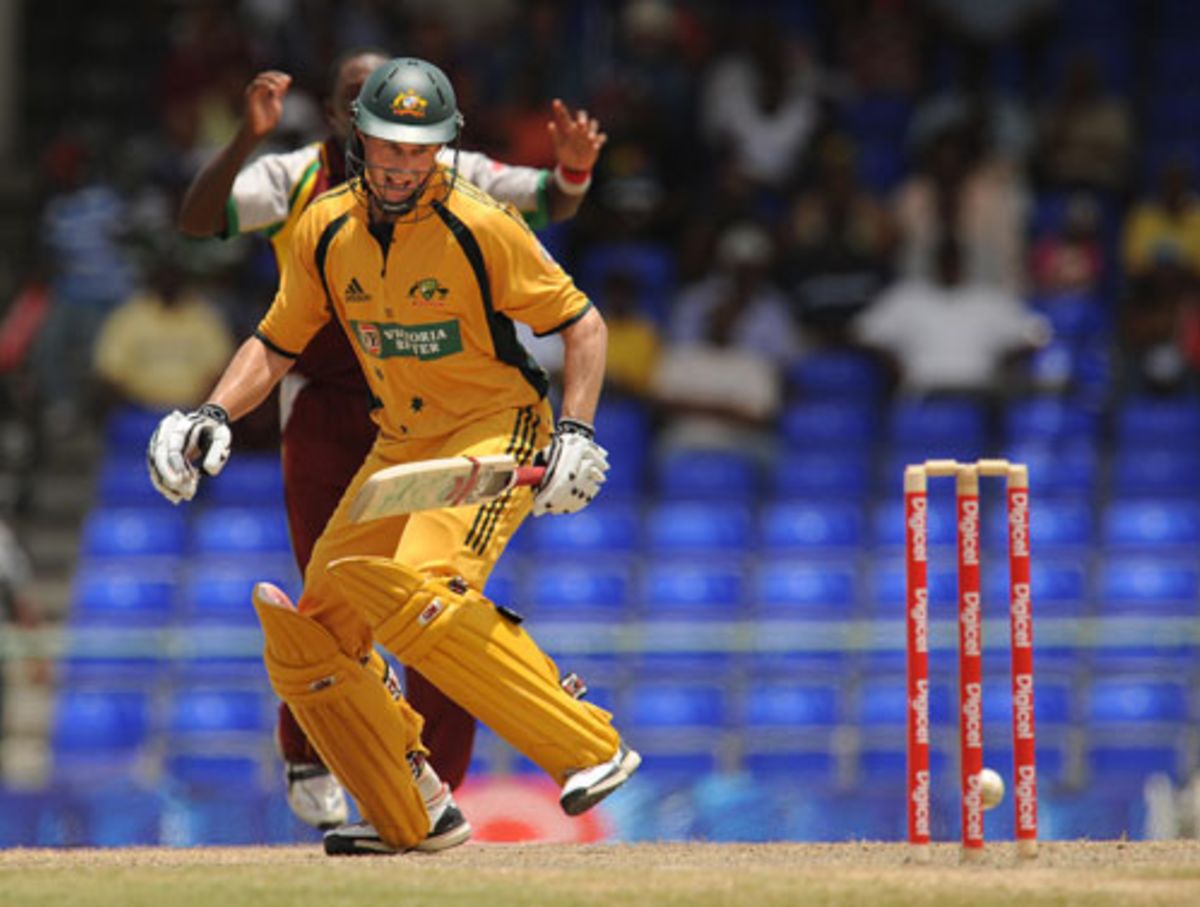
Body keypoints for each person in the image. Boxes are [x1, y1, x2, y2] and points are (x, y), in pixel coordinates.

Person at [150, 56, 638, 857]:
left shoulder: (479, 224)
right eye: (389, 146)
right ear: (358, 140)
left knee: (422, 587)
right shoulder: (323, 225)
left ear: (442, 147)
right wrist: (209, 412)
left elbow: (582, 324)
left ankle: (587, 744)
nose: (405, 166)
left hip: (496, 425)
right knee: (316, 627)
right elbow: (275, 343)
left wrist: (578, 432)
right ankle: (412, 804)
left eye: (421, 149)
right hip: (401, 440)